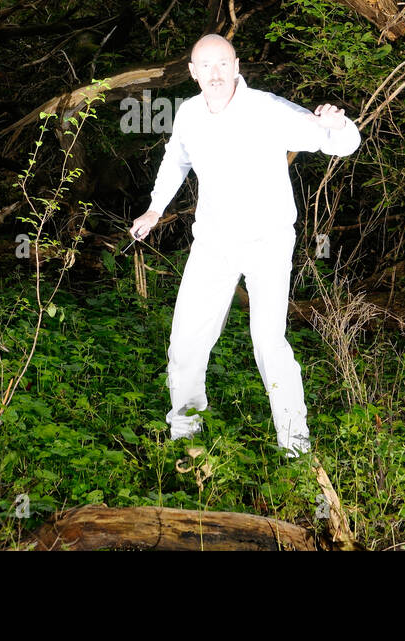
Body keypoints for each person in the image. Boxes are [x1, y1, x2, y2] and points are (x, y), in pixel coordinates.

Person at [129, 34, 360, 457]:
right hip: (213, 243)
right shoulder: (190, 114)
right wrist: (154, 209)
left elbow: (339, 144)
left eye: (223, 64)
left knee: (268, 343)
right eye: (206, 66)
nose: (215, 74)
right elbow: (175, 159)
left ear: (236, 66)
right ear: (194, 72)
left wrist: (337, 124)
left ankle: (295, 446)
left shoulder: (268, 110)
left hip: (266, 242)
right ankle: (184, 432)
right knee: (184, 343)